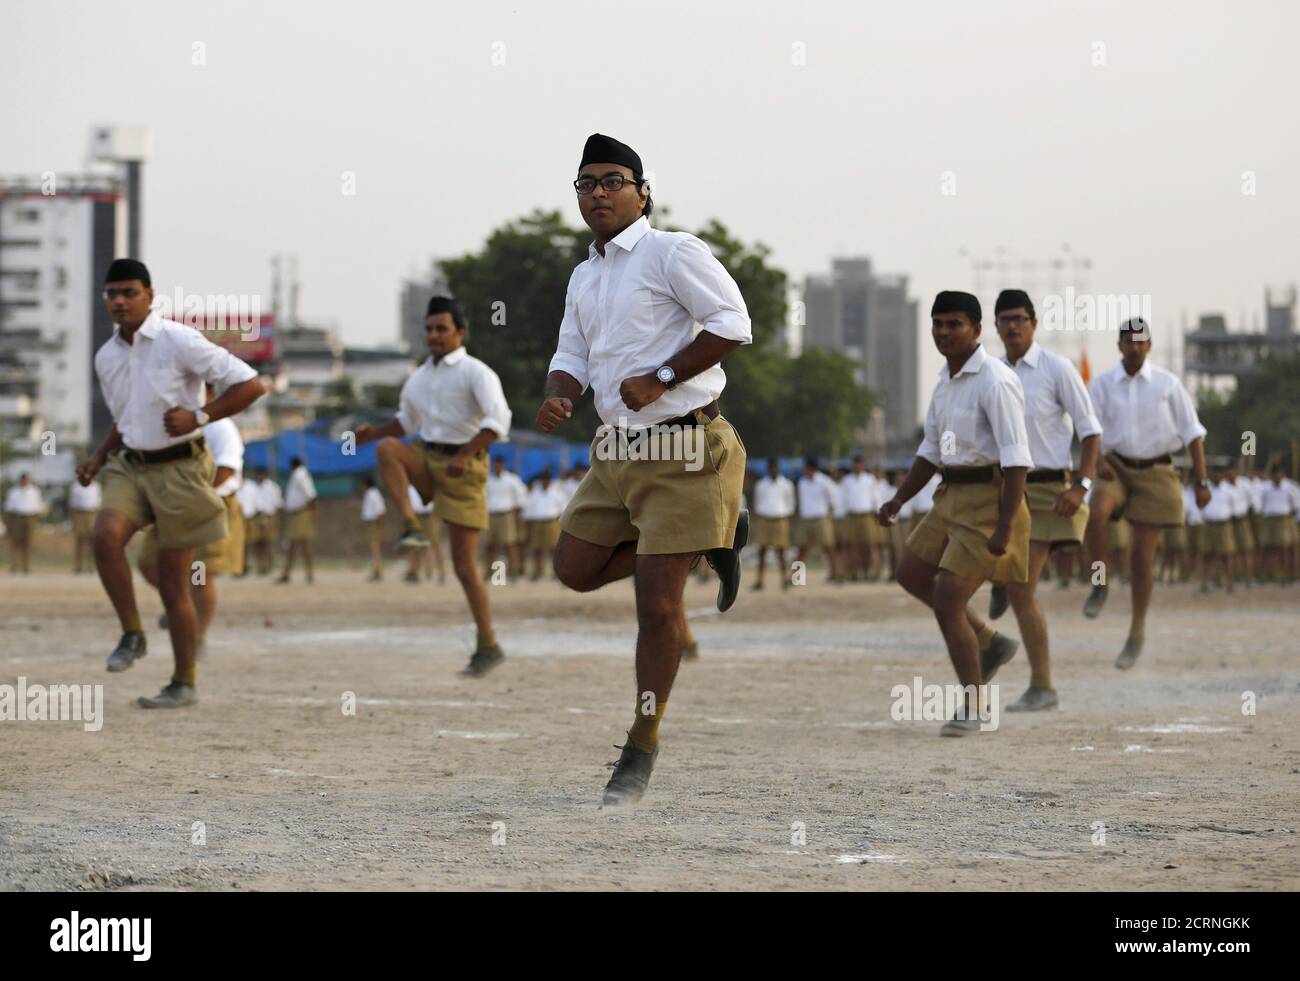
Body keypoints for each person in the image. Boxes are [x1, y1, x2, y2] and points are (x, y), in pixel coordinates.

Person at [536, 133, 751, 805]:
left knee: (657, 609)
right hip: (619, 452)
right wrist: (560, 391)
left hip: (685, 447)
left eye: (611, 180)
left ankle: (640, 746)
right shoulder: (585, 274)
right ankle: (711, 540)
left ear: (642, 191)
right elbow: (569, 350)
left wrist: (661, 376)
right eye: (585, 183)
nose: (596, 192)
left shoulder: (672, 252)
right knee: (573, 567)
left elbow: (734, 322)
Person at [76, 258, 264, 708]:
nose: (119, 301)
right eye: (112, 294)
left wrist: (199, 415)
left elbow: (252, 385)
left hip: (181, 469)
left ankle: (183, 681)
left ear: (149, 295)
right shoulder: (106, 357)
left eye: (129, 292)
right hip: (130, 465)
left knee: (174, 581)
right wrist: (98, 458)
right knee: (104, 537)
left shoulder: (179, 341)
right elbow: (126, 419)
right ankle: (133, 633)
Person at [878, 291, 1028, 736]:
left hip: (990, 500)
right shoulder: (944, 381)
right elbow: (929, 452)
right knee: (910, 572)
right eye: (937, 324)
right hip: (950, 496)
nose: (944, 333)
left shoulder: (995, 381)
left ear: (977, 330)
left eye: (954, 324)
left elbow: (1017, 459)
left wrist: (1005, 525)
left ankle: (975, 703)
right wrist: (900, 499)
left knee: (948, 598)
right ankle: (989, 640)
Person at [354, 295, 512, 676]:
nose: (434, 336)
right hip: (427, 456)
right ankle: (410, 526)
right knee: (389, 448)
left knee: (463, 566)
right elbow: (405, 423)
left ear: (459, 332)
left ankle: (487, 643)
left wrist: (465, 455)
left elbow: (498, 422)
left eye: (442, 328)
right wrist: (372, 433)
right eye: (428, 329)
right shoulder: (419, 377)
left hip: (465, 467)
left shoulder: (477, 372)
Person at [984, 289, 1102, 713]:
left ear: (1033, 322)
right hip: (1002, 490)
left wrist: (1081, 486)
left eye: (1019, 318)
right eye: (1004, 319)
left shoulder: (1057, 369)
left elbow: (1091, 432)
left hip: (1052, 491)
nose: (1012, 326)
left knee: (1022, 591)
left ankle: (1042, 685)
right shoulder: (990, 373)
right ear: (994, 327)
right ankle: (996, 583)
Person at [1082, 317, 1212, 668]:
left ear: (1149, 346)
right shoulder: (1103, 384)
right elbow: (1088, 429)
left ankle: (1137, 630)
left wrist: (1201, 482)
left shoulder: (1168, 385)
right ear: (1120, 345)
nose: (1135, 347)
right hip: (1116, 467)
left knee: (1141, 558)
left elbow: (1193, 435)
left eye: (1141, 342)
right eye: (1129, 341)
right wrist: (1096, 465)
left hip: (1156, 471)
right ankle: (1100, 582)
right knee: (1095, 512)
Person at [137, 414, 249, 659]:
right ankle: (182, 603)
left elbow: (226, 470)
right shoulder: (172, 425)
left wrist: (197, 497)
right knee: (148, 563)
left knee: (199, 574)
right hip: (174, 506)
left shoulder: (221, 427)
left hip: (209, 506)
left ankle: (197, 637)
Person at [751, 458, 796, 590]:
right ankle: (759, 580)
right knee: (761, 551)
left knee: (781, 551)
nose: (773, 470)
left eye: (775, 467)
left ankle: (784, 579)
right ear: (768, 469)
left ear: (778, 468)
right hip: (764, 519)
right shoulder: (760, 485)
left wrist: (787, 517)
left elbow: (791, 504)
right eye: (771, 468)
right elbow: (757, 503)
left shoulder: (787, 484)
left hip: (780, 519)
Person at [795, 458, 838, 580]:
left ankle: (835, 574)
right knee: (802, 548)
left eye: (806, 468)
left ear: (811, 469)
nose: (804, 470)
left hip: (821, 518)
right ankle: (797, 577)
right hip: (805, 518)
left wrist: (830, 514)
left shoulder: (824, 481)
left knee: (828, 547)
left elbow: (833, 499)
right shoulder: (801, 482)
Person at [484, 457, 526, 582]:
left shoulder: (511, 480)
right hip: (491, 514)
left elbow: (520, 497)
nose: (497, 467)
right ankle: (488, 571)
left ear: (503, 465)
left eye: (499, 464)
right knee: (490, 545)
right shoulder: (488, 480)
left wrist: (516, 513)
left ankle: (514, 571)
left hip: (506, 514)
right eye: (495, 465)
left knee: (510, 544)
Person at [277, 457, 317, 584]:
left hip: (301, 514)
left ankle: (309, 572)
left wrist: (311, 513)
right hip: (295, 515)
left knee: (304, 544)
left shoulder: (300, 475)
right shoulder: (297, 475)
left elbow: (311, 495)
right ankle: (287, 573)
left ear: (292, 465)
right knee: (292, 545)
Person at [521, 469, 566, 580]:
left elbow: (563, 509)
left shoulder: (557, 493)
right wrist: (526, 521)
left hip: (552, 522)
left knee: (554, 550)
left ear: (550, 481)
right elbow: (528, 508)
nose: (544, 482)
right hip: (537, 523)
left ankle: (556, 572)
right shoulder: (534, 493)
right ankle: (537, 571)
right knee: (537, 549)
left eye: (546, 480)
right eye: (542, 480)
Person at [1199, 461, 1236, 592]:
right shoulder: (1205, 487)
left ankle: (1229, 582)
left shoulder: (1230, 490)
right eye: (1215, 473)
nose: (1217, 476)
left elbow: (1234, 507)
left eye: (1220, 473)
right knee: (1207, 555)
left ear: (1223, 475)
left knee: (1226, 555)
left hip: (1224, 526)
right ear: (1211, 474)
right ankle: (1205, 583)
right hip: (1209, 525)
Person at [1258, 464, 1295, 584]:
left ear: (1283, 475)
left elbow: (1296, 504)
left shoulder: (1290, 487)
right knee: (1266, 548)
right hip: (1269, 520)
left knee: (1284, 549)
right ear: (1271, 476)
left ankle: (1285, 575)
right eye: (1274, 475)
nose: (1277, 477)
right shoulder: (1265, 488)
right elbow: (1261, 504)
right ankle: (1265, 575)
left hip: (1283, 520)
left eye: (1279, 474)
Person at [3, 472, 44, 573]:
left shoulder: (34, 491)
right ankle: (14, 566)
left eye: (26, 480)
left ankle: (26, 566)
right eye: (23, 480)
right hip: (17, 517)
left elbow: (38, 506)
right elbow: (8, 508)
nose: (25, 482)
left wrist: (36, 520)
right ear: (20, 480)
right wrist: (8, 522)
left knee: (28, 542)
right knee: (15, 542)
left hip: (30, 517)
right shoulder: (13, 492)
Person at [68, 468, 101, 574]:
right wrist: (72, 520)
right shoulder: (76, 486)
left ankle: (90, 566)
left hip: (92, 514)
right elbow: (72, 505)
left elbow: (99, 503)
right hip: (79, 514)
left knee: (92, 541)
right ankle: (78, 566)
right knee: (80, 540)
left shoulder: (96, 486)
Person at [253, 467, 282, 575]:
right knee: (257, 543)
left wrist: (269, 517)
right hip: (257, 516)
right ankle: (260, 566)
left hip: (269, 516)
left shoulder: (273, 487)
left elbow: (277, 503)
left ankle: (269, 566)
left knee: (268, 542)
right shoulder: (255, 487)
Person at [360, 476, 386, 581]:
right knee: (374, 548)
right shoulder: (370, 494)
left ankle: (377, 571)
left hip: (374, 523)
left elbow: (380, 511)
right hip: (371, 523)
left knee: (375, 548)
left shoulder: (373, 494)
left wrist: (380, 525)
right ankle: (376, 570)